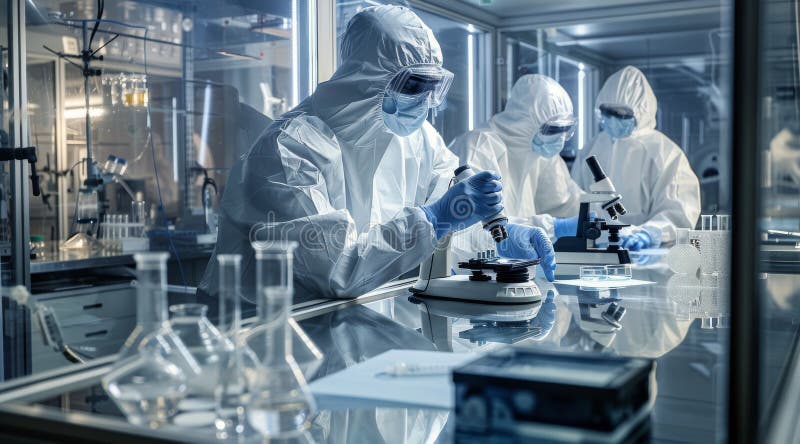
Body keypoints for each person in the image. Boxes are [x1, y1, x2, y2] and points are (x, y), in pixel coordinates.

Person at [198, 5, 556, 305]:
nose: (424, 105)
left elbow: (443, 230)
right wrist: (436, 217)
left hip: (351, 318)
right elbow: (339, 268)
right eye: (415, 86)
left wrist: (498, 234)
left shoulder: (417, 138)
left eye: (433, 89)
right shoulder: (291, 147)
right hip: (264, 330)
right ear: (366, 77)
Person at [571, 66, 701, 250]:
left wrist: (649, 234)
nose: (613, 120)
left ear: (641, 112)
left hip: (646, 253)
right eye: (608, 112)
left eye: (621, 114)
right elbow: (573, 199)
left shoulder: (665, 153)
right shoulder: (591, 149)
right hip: (594, 252)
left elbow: (678, 211)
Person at [449, 74, 585, 243]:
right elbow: (472, 230)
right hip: (477, 266)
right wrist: (554, 227)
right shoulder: (480, 147)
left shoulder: (538, 152)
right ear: (524, 121)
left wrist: (599, 219)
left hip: (519, 263)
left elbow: (566, 202)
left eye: (565, 130)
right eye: (553, 130)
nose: (560, 139)